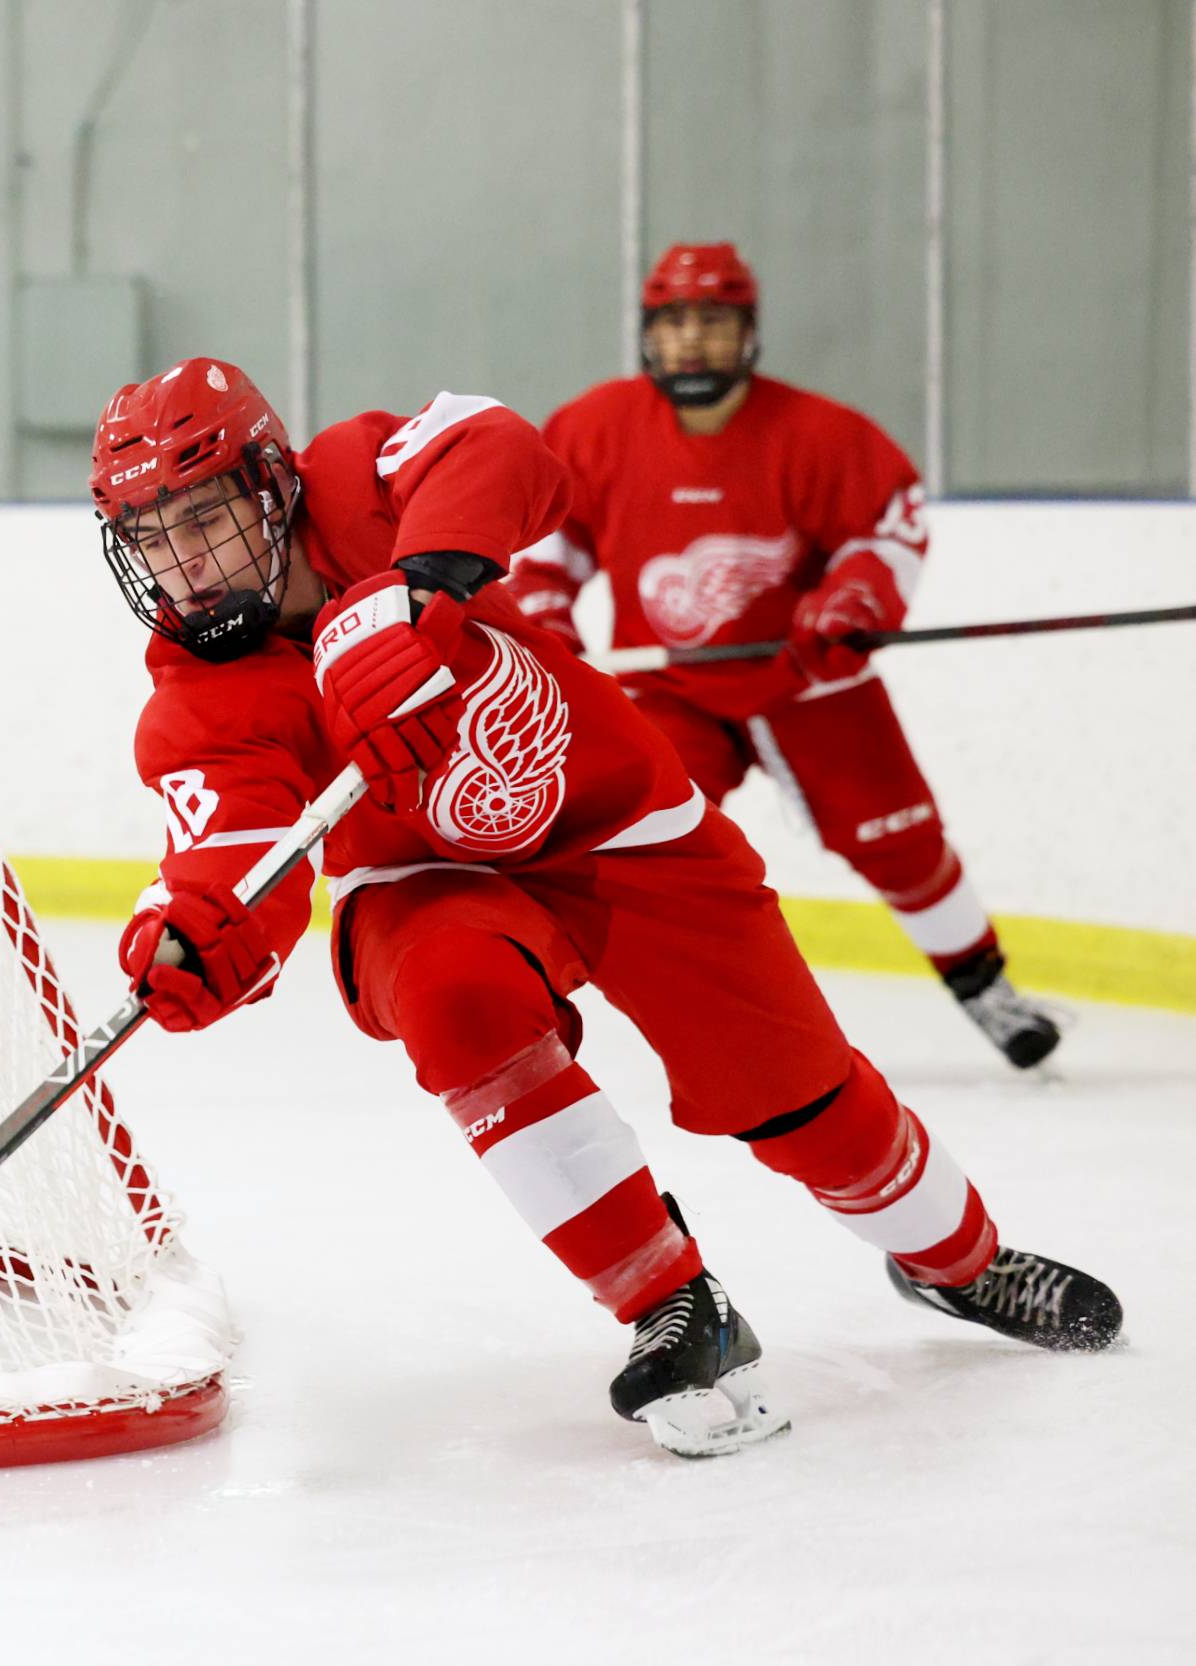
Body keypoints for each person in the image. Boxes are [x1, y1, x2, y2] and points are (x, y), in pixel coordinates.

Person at [90, 356, 1120, 1456]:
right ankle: (668, 1300)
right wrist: (199, 938)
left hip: (625, 826)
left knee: (809, 1107)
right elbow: (230, 860)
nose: (184, 561)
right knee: (454, 995)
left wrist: (423, 582)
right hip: (430, 886)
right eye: (150, 535)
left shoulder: (357, 473)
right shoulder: (199, 702)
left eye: (202, 515)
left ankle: (958, 1262)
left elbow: (503, 449)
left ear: (271, 482)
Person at [508, 242, 1058, 1068]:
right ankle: (560, 995)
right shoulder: (595, 427)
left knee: (901, 839)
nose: (693, 341)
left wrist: (851, 602)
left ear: (749, 333)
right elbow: (550, 548)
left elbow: (887, 531)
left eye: (714, 321)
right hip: (672, 688)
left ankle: (986, 991)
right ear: (648, 334)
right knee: (641, 840)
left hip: (808, 678)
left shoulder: (817, 434)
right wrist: (549, 621)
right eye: (675, 322)